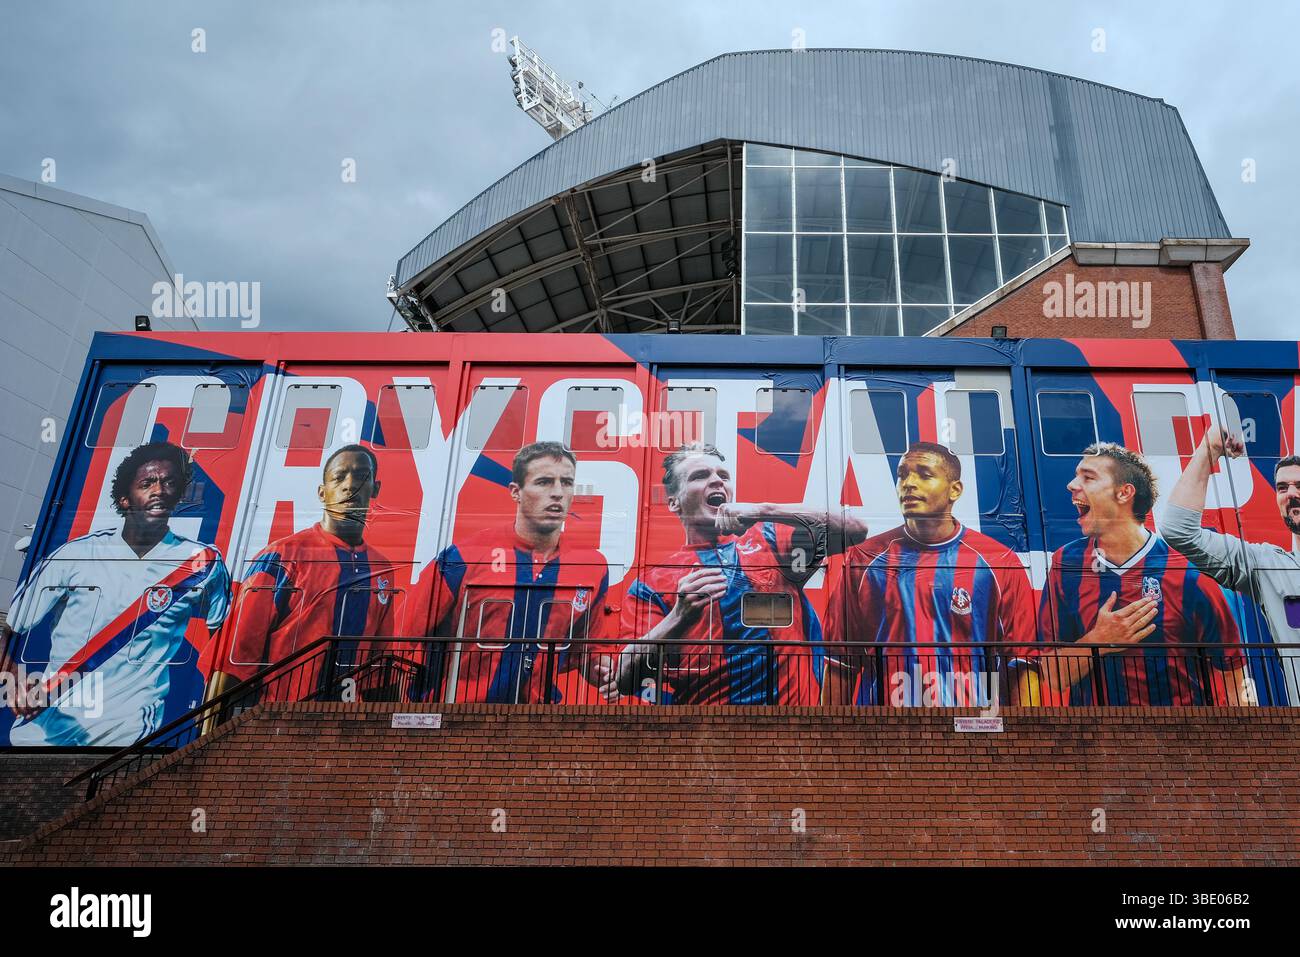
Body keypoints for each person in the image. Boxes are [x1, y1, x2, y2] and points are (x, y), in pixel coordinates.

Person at [0, 441, 229, 746]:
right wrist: (12, 681)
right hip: (45, 726)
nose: (159, 490)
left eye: (169, 482)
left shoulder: (202, 563)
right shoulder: (75, 555)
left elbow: (224, 648)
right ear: (124, 499)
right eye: (147, 483)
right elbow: (8, 628)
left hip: (128, 732)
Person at [610, 442, 869, 705]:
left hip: (795, 731)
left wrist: (764, 510)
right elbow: (625, 677)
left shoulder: (769, 538)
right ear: (674, 503)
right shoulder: (651, 584)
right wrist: (678, 617)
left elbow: (855, 529)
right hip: (709, 736)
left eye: (723, 476)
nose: (716, 481)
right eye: (700, 476)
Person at [823, 441, 1035, 706]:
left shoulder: (998, 561)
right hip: (884, 732)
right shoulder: (862, 560)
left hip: (976, 730)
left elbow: (1022, 662)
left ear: (955, 490)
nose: (909, 483)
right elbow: (840, 661)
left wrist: (1025, 734)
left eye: (924, 474)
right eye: (902, 475)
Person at [1034, 442, 1247, 705]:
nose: (1071, 485)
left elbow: (1233, 682)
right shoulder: (1065, 564)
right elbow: (1053, 678)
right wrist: (1099, 640)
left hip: (1180, 739)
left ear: (1124, 493)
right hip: (1097, 739)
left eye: (1088, 477)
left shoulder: (1189, 572)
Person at [408, 441, 615, 704]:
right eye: (544, 482)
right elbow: (408, 634)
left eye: (566, 482)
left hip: (537, 719)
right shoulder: (463, 556)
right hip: (458, 715)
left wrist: (601, 669)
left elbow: (587, 648)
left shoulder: (592, 567)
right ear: (516, 492)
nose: (558, 493)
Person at [205, 444, 397, 701]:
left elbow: (379, 663)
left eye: (362, 476)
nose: (350, 485)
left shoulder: (383, 569)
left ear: (375, 488)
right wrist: (211, 734)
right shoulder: (282, 555)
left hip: (345, 727)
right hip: (278, 722)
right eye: (339, 477)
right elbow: (236, 654)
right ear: (322, 492)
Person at [1160, 426, 1300, 704]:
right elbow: (1178, 531)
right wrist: (1208, 451)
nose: (1291, 494)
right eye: (1283, 488)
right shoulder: (1267, 565)